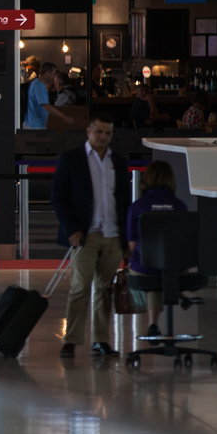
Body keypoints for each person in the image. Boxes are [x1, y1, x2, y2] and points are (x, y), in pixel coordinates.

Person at [50, 112, 131, 360]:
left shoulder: (118, 161)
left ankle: (101, 340)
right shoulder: (71, 159)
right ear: (88, 132)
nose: (103, 137)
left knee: (105, 290)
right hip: (85, 235)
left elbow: (125, 202)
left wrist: (127, 239)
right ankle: (71, 341)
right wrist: (71, 229)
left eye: (107, 133)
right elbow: (58, 198)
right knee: (80, 288)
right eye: (98, 132)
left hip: (112, 235)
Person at [125, 160, 189, 338]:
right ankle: (179, 291)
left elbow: (131, 245)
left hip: (146, 268)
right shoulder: (180, 206)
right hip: (177, 268)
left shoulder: (137, 207)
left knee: (152, 272)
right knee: (165, 270)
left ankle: (153, 323)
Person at [25, 62, 73, 130]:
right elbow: (46, 106)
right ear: (47, 73)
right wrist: (64, 117)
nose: (54, 77)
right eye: (53, 74)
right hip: (35, 127)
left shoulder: (36, 84)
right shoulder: (39, 86)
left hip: (36, 124)